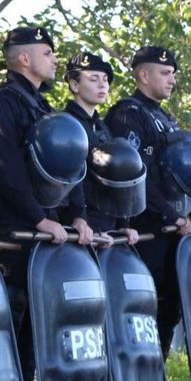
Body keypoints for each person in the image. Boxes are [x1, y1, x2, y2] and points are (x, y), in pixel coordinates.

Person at [0, 26, 94, 381]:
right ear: (24, 58)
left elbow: (71, 167)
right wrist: (39, 219)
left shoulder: (43, 107)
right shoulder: (0, 104)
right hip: (15, 228)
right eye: (47, 52)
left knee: (37, 325)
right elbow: (3, 170)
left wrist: (79, 216)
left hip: (48, 229)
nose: (54, 59)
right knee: (10, 318)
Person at [106, 46, 191, 356]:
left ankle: (159, 380)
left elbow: (176, 175)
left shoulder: (163, 117)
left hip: (172, 229)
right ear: (143, 75)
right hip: (145, 230)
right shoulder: (128, 115)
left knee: (168, 307)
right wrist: (170, 214)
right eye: (165, 74)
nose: (172, 80)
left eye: (173, 75)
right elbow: (135, 176)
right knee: (143, 309)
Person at [61, 51, 139, 243]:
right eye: (94, 79)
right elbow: (71, 179)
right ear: (74, 85)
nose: (103, 84)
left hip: (107, 226)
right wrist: (81, 220)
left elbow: (117, 177)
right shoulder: (65, 124)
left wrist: (123, 226)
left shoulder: (102, 127)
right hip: (80, 228)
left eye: (105, 79)